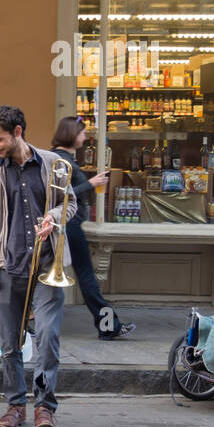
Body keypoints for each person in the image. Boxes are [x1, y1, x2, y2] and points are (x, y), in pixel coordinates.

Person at [0, 105, 77, 427]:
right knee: (10, 343)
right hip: (9, 263)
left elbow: (70, 203)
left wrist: (55, 217)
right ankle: (16, 404)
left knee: (48, 336)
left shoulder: (52, 163)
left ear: (18, 132)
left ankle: (44, 406)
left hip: (48, 261)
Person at [51, 116, 135, 340]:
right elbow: (61, 195)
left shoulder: (62, 157)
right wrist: (91, 184)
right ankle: (109, 326)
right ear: (71, 134)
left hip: (69, 224)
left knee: (83, 276)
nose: (85, 137)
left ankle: (109, 325)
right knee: (87, 276)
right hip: (69, 224)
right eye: (81, 133)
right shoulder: (60, 159)